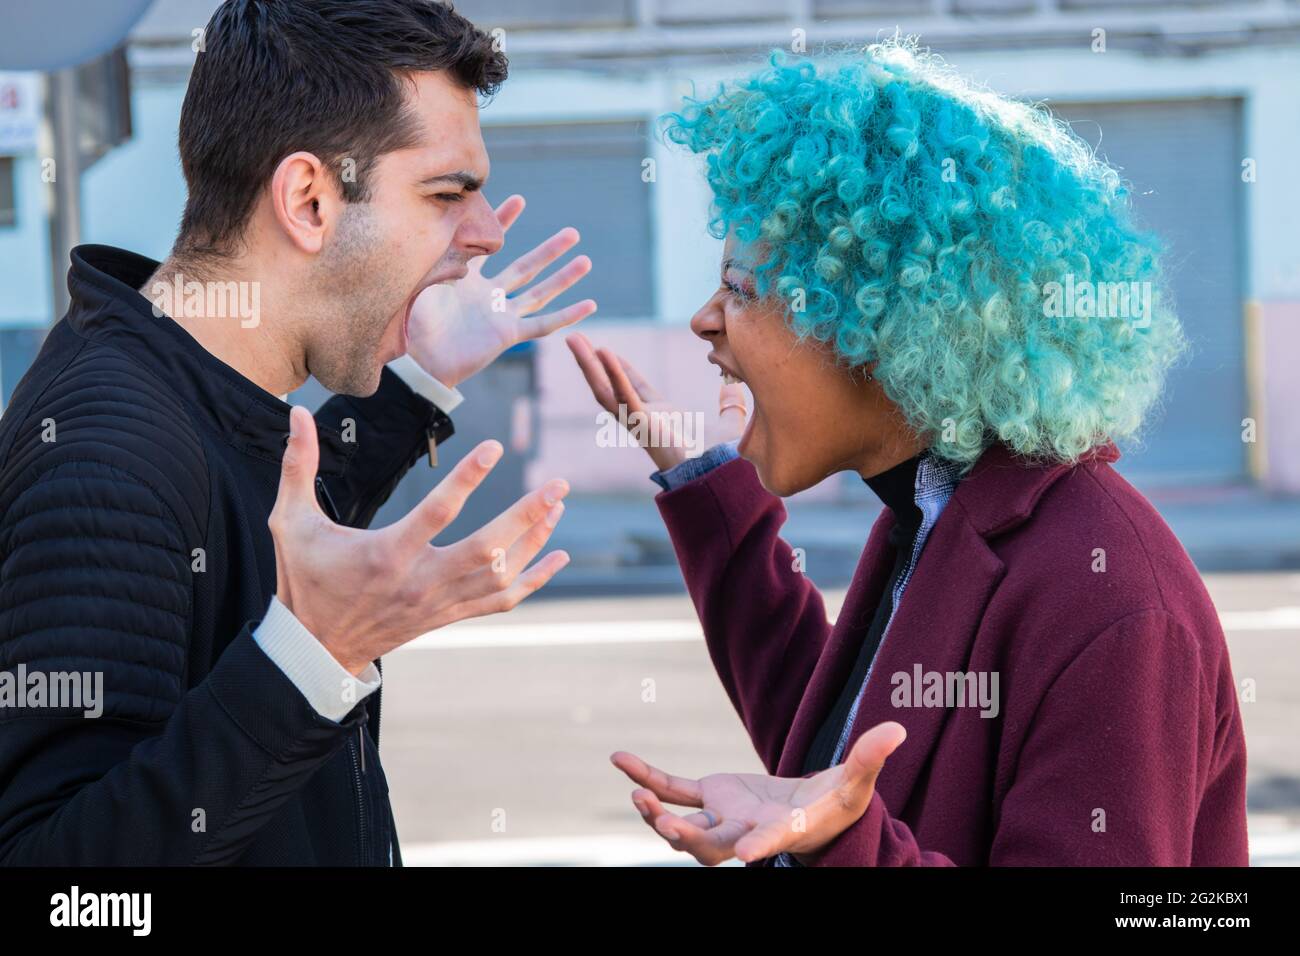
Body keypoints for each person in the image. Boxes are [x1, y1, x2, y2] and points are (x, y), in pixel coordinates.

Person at [569, 42, 1249, 866]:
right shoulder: (937, 510)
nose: (704, 320)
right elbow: (840, 739)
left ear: (886, 324)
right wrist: (699, 483)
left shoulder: (1110, 599)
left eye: (741, 290)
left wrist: (846, 846)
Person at [0, 0, 593, 865]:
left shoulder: (191, 384)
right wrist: (314, 657)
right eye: (445, 194)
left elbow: (257, 534)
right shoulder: (110, 458)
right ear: (310, 199)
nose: (488, 232)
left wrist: (412, 385)